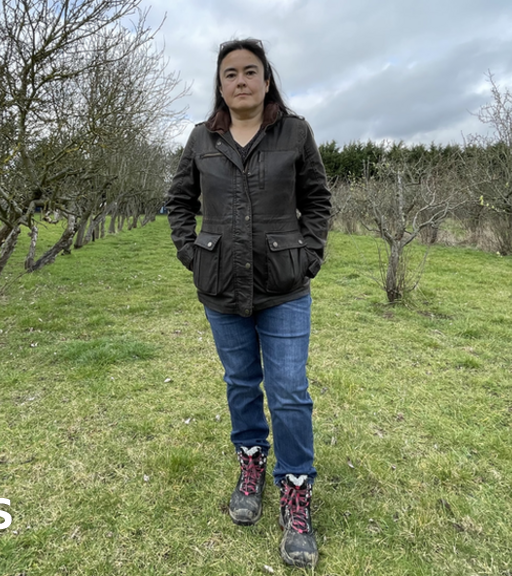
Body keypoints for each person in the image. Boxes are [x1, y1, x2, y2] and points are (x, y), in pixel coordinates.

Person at [165, 38, 331, 568]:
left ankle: (296, 494)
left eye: (250, 72)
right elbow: (178, 203)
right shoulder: (200, 139)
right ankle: (252, 464)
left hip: (284, 287)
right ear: (220, 85)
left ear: (266, 80)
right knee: (240, 384)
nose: (240, 81)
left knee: (288, 392)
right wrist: (193, 254)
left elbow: (319, 201)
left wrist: (308, 256)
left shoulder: (296, 132)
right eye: (230, 73)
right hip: (219, 287)